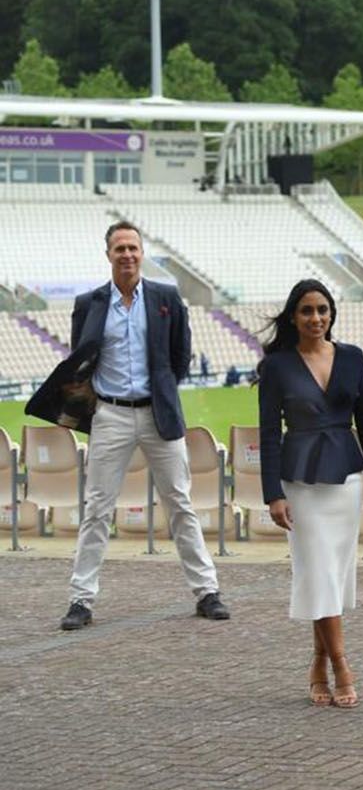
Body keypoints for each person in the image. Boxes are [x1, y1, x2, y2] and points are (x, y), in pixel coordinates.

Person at [45, 221, 229, 631]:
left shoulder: (166, 298)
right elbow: (81, 358)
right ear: (107, 254)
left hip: (157, 412)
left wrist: (161, 391)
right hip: (109, 414)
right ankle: (81, 600)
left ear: (142, 253)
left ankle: (207, 592)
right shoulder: (89, 303)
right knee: (96, 508)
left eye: (133, 248)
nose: (127, 255)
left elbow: (180, 356)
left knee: (179, 502)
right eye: (119, 249)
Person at [258, 280, 363, 707]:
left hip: (348, 480)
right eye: (306, 311)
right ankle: (341, 663)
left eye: (322, 310)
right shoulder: (277, 366)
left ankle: (317, 660)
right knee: (317, 570)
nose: (316, 318)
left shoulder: (352, 358)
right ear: (293, 317)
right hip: (300, 482)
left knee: (331, 575)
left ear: (332, 314)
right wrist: (272, 494)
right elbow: (267, 434)